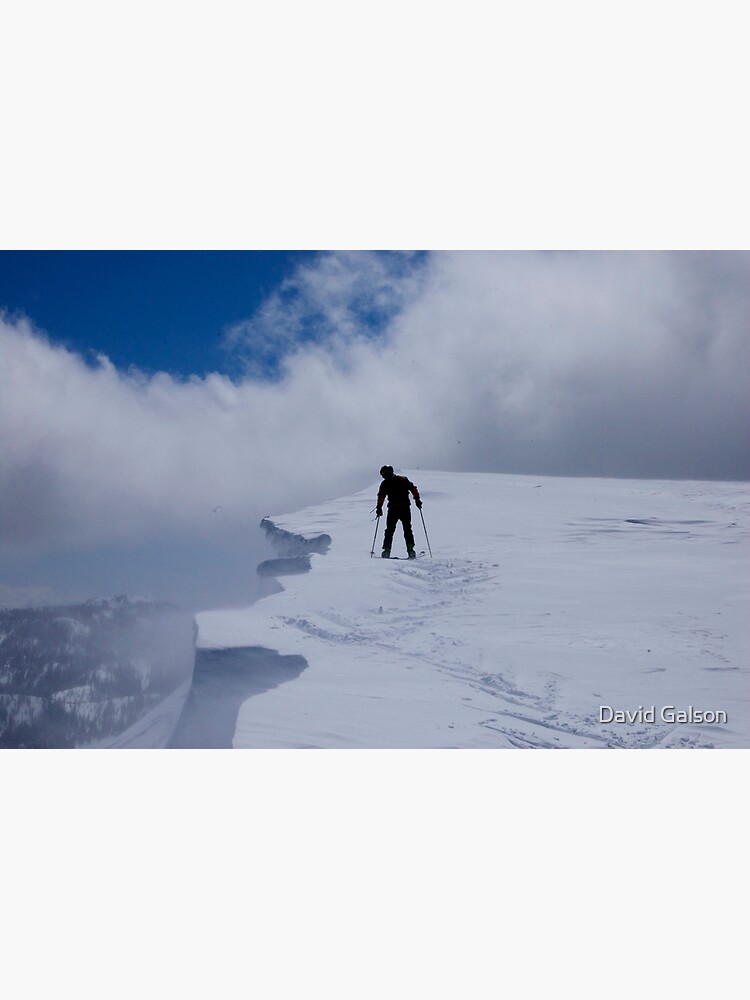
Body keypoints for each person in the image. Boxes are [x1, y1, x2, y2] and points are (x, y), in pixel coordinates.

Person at [376, 465, 422, 558]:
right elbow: (413, 488)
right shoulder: (403, 479)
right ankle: (410, 550)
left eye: (383, 475)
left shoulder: (385, 484)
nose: (383, 476)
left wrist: (379, 507)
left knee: (390, 530)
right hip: (405, 508)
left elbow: (381, 496)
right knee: (407, 529)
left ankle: (386, 551)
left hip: (393, 509)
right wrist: (417, 499)